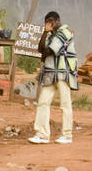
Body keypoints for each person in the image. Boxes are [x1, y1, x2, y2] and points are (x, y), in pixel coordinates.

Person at [29, 11, 78, 144]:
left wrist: (44, 53)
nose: (49, 24)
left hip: (63, 72)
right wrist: (45, 33)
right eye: (47, 22)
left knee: (65, 104)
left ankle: (67, 135)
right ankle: (42, 134)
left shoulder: (64, 33)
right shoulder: (51, 35)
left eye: (51, 21)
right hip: (50, 72)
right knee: (43, 102)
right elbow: (40, 49)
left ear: (57, 20)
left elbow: (49, 51)